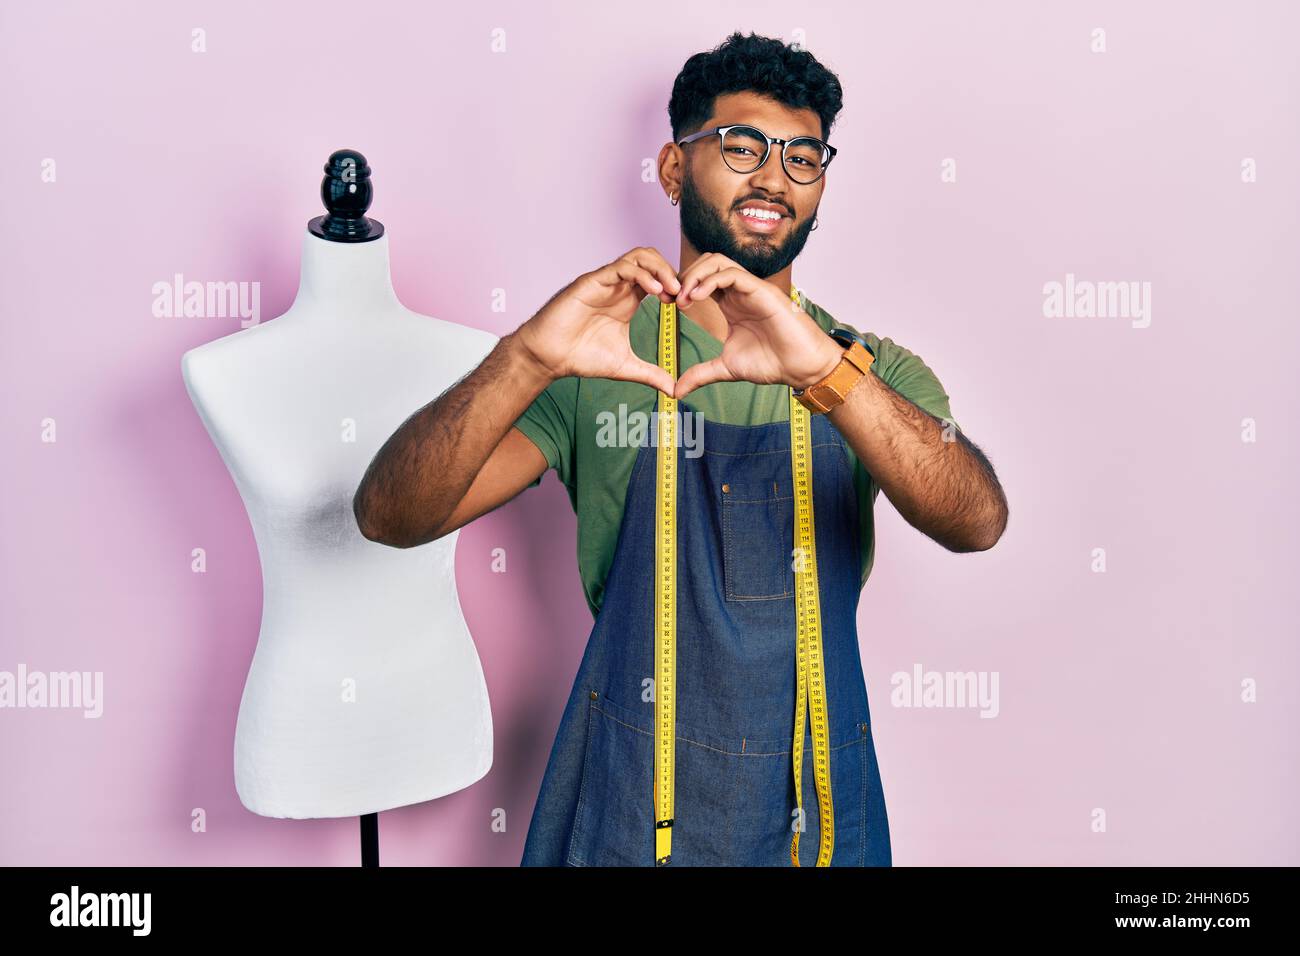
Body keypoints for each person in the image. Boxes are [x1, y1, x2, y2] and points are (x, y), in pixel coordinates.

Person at [353, 31, 1009, 866]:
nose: (774, 176)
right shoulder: (597, 358)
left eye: (804, 158)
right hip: (629, 806)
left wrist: (825, 374)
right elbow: (390, 515)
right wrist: (525, 357)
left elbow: (976, 519)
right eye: (743, 146)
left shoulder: (871, 371)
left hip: (820, 815)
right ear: (672, 170)